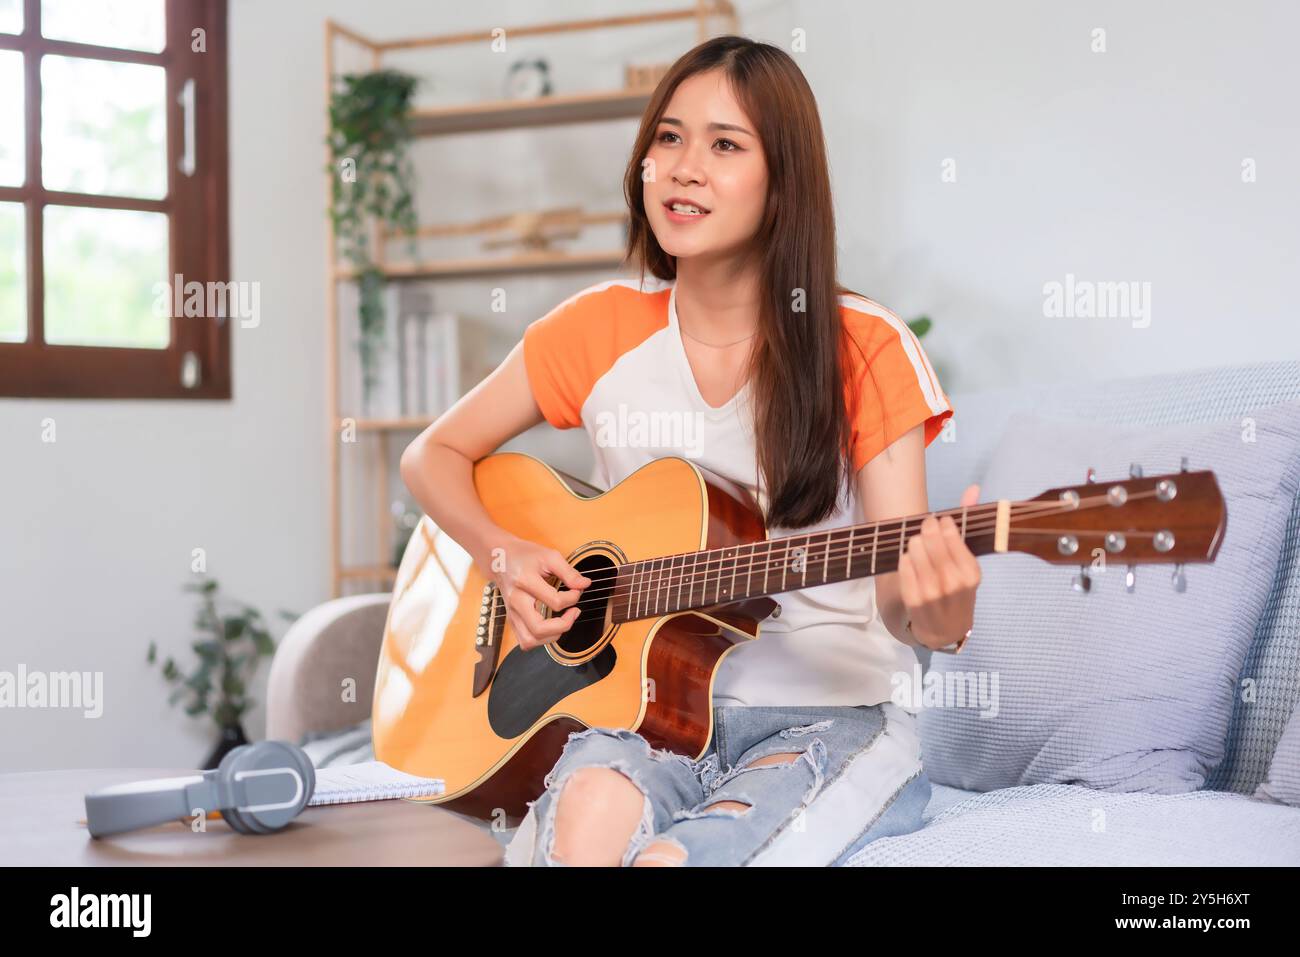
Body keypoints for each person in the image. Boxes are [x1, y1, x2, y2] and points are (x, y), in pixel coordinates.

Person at [399, 35, 982, 867]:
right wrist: (504, 554)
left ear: (783, 181)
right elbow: (432, 454)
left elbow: (901, 598)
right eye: (668, 138)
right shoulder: (593, 329)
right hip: (645, 716)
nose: (683, 168)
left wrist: (941, 617)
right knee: (585, 823)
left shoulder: (864, 345)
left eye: (725, 145)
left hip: (832, 713)